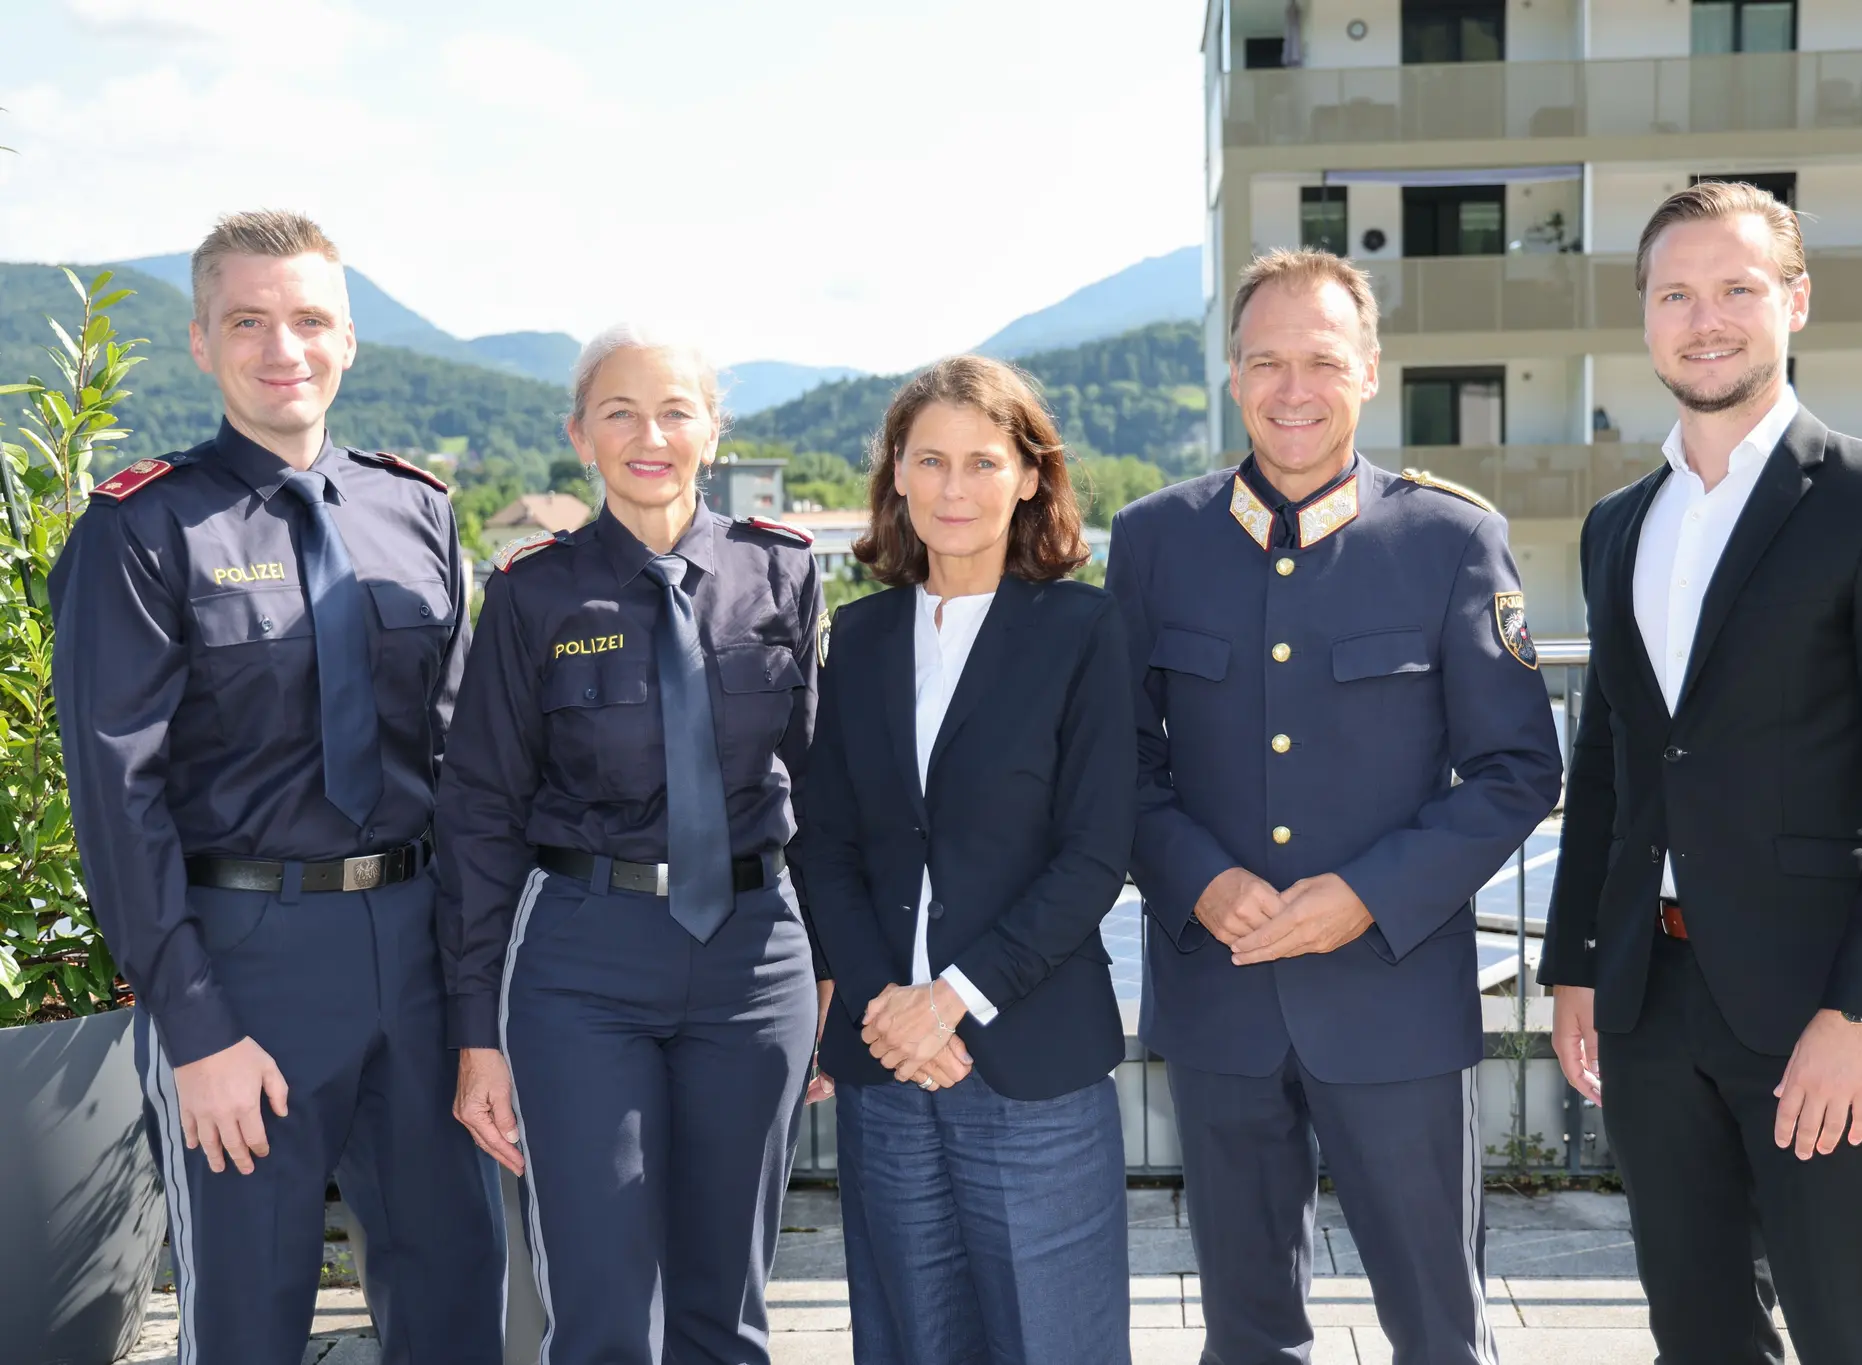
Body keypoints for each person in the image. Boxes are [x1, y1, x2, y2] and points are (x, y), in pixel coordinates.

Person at [1538, 181, 1862, 1365]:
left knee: (1859, 1333)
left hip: (1816, 1003)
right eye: (1675, 293)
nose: (1704, 318)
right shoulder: (1617, 524)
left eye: (1735, 287)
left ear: (1793, 300)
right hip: (1647, 1001)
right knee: (1697, 1333)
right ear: (1643, 317)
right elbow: (1613, 759)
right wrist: (1577, 963)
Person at [49, 210, 504, 1362]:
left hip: (418, 950)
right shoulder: (144, 526)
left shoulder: (418, 511)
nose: (281, 347)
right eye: (246, 321)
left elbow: (467, 775)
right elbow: (119, 797)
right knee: (248, 1312)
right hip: (245, 958)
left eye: (307, 320)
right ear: (201, 341)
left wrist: (479, 1006)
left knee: (457, 1292)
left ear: (349, 338)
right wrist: (196, 1030)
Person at [1105, 248, 1562, 1365]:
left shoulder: (1448, 539)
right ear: (1230, 377)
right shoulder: (1156, 538)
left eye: (1320, 360)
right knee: (1245, 1333)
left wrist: (1364, 896)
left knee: (1435, 1331)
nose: (1291, 388)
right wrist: (1198, 881)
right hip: (1220, 993)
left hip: (1392, 1000)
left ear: (1367, 372)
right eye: (1265, 361)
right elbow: (1117, 761)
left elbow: (1515, 767)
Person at [435, 324, 827, 1365]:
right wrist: (478, 1031)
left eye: (673, 410)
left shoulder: (777, 574)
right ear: (579, 434)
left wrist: (832, 972)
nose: (647, 434)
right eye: (618, 412)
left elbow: (823, 791)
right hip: (583, 960)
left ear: (711, 428)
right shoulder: (530, 594)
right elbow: (478, 815)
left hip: (754, 958)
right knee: (602, 1307)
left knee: (724, 1308)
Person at [805, 356, 1136, 1365]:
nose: (955, 489)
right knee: (908, 1339)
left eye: (983, 462)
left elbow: (1093, 856)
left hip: (1028, 1050)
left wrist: (946, 999)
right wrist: (884, 1007)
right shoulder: (853, 641)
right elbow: (822, 848)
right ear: (894, 476)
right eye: (931, 461)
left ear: (1030, 476)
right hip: (884, 1060)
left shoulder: (1083, 629)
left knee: (1055, 1344)